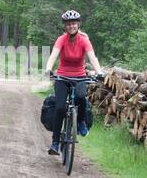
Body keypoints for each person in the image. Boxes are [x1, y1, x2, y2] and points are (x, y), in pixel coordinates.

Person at [43, 9, 106, 156]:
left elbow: (92, 57)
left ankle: (82, 121)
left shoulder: (84, 40)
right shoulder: (61, 39)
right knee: (59, 108)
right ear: (65, 26)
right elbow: (53, 56)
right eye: (68, 24)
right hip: (63, 77)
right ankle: (55, 142)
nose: (71, 26)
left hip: (79, 76)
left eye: (74, 23)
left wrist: (99, 72)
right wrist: (48, 70)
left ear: (78, 24)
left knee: (80, 97)